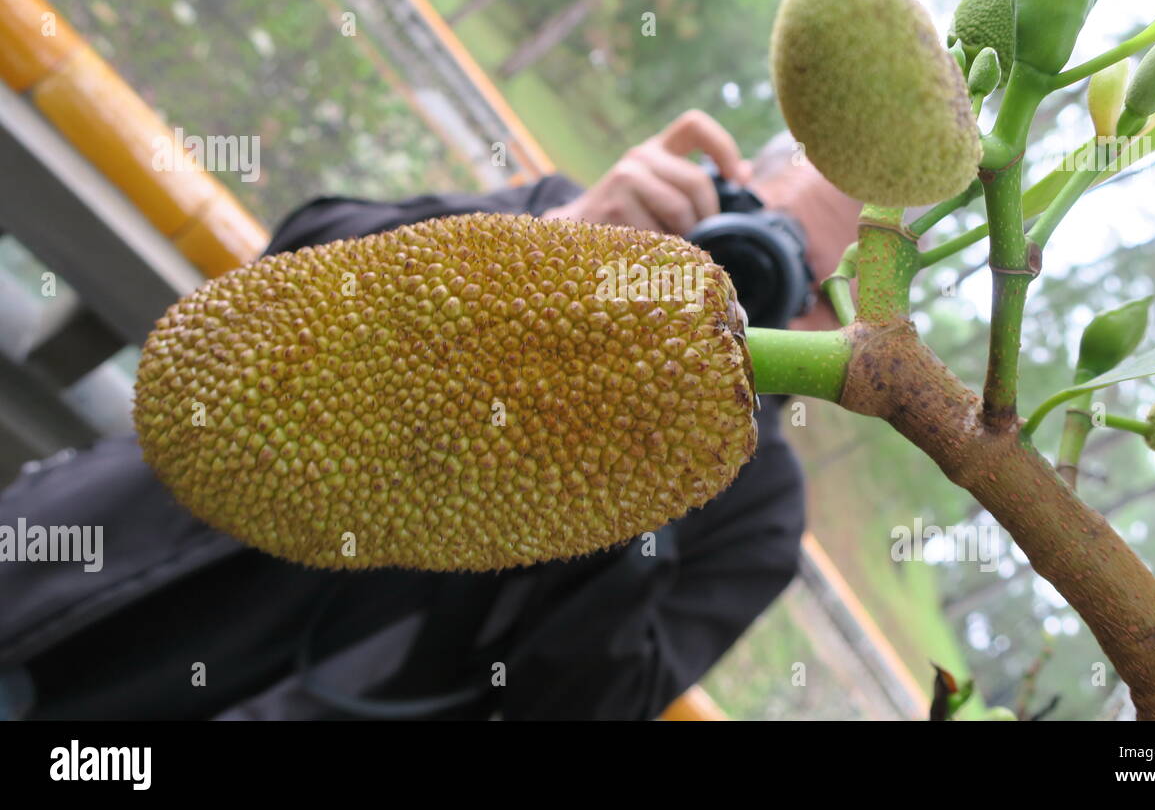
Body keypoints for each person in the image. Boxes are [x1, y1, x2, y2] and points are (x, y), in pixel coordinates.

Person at [0, 111, 861, 720]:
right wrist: (558, 234)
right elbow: (292, 263)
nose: (772, 273)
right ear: (731, 185)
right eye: (772, 225)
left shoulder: (759, 509)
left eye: (822, 287)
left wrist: (648, 458)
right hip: (90, 555)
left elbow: (587, 702)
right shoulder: (572, 230)